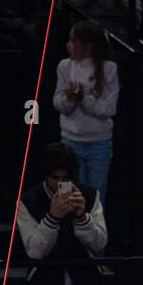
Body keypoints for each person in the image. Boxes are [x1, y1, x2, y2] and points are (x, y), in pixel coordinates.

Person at [17, 143, 109, 285]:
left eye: (65, 178)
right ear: (46, 176)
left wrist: (82, 217)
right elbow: (34, 251)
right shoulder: (29, 201)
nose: (60, 183)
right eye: (55, 178)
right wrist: (53, 217)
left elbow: (100, 243)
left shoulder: (90, 195)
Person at [53, 21, 119, 206]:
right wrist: (70, 100)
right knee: (68, 195)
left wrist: (83, 99)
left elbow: (109, 109)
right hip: (70, 141)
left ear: (87, 45)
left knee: (96, 196)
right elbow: (58, 103)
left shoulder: (109, 68)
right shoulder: (64, 66)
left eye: (73, 41)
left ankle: (95, 233)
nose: (68, 45)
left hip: (99, 143)